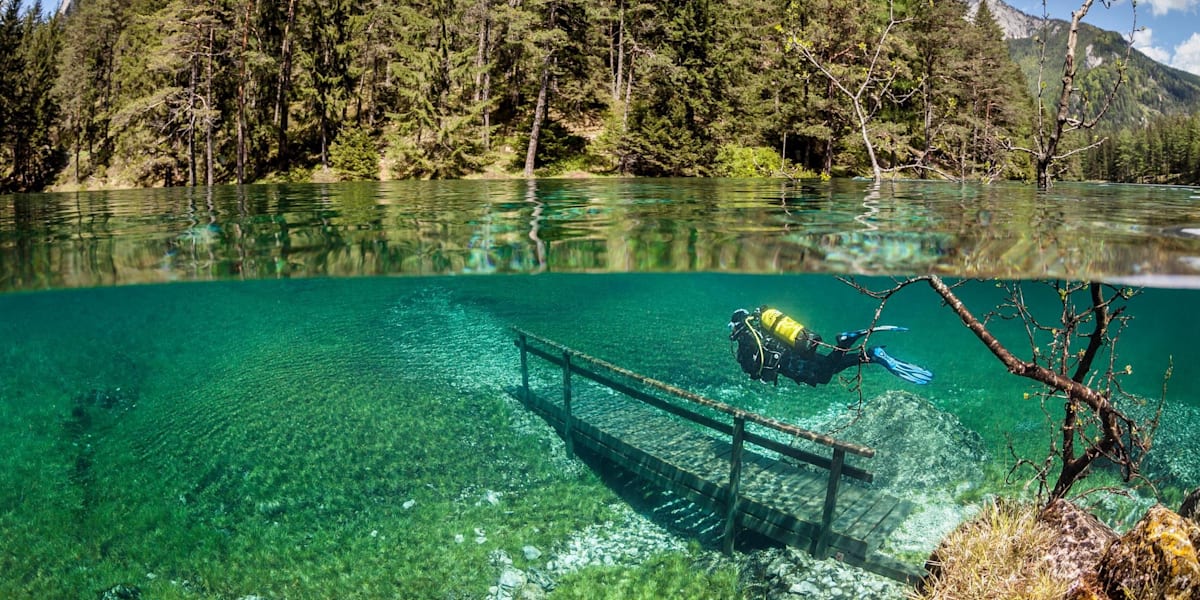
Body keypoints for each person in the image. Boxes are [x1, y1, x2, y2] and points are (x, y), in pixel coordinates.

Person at [728, 306, 932, 387]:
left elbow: (752, 368)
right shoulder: (761, 326)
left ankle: (845, 341)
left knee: (824, 375)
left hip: (788, 363)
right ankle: (871, 355)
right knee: (829, 365)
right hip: (796, 351)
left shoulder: (746, 338)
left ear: (736, 325)